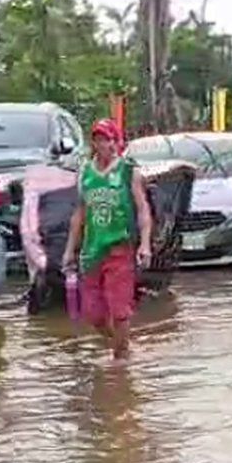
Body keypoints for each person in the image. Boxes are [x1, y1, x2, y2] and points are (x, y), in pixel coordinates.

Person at [64, 119, 153, 360]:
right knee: (93, 315)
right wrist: (70, 250)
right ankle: (122, 346)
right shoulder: (86, 172)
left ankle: (120, 363)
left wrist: (145, 244)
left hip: (119, 248)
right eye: (99, 139)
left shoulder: (127, 171)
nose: (103, 144)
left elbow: (143, 209)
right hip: (92, 250)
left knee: (119, 310)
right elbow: (79, 213)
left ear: (116, 142)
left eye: (108, 139)